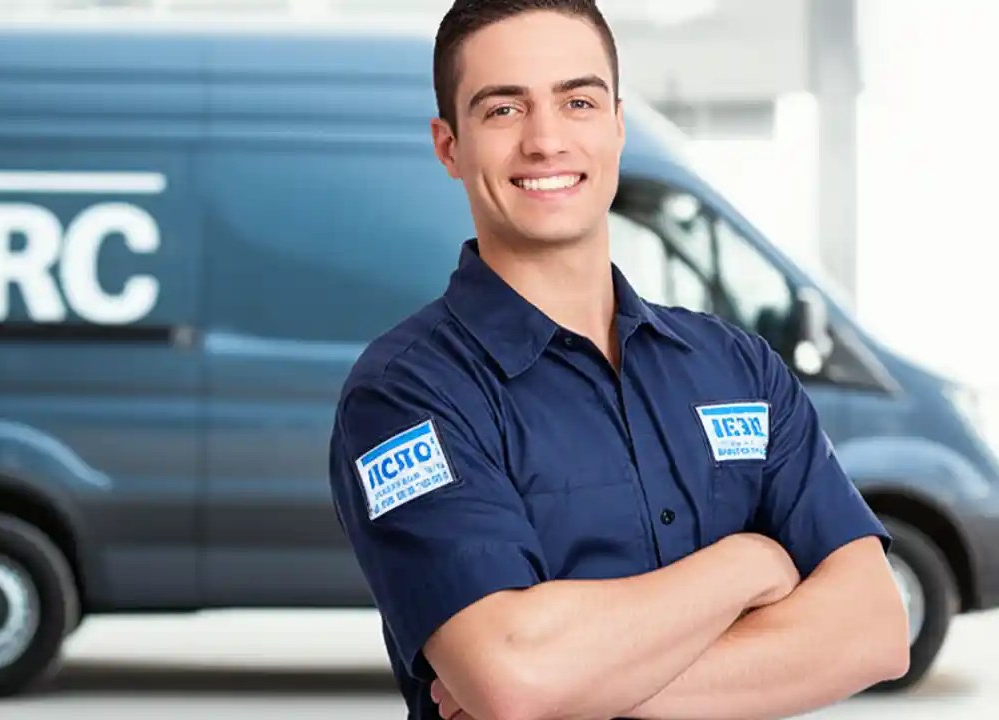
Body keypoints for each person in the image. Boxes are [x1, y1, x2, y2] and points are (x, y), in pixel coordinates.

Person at [325, 1, 911, 718]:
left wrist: (577, 682)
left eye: (577, 101)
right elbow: (515, 673)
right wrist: (748, 564)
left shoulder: (739, 369)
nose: (546, 141)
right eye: (504, 109)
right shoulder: (407, 396)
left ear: (617, 124)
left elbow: (876, 629)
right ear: (449, 146)